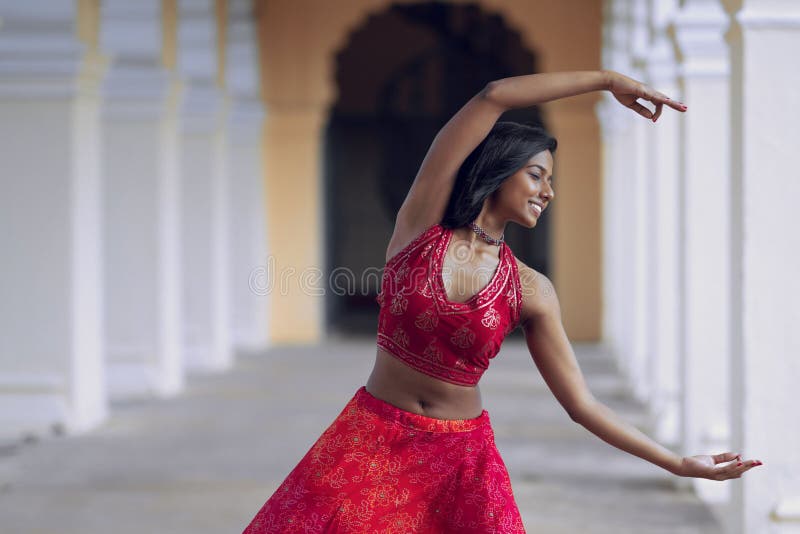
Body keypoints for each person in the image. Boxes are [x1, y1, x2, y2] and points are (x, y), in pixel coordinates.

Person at [242, 70, 762, 533]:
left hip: (461, 464)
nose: (547, 192)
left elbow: (582, 404)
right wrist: (606, 81)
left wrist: (676, 463)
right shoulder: (419, 227)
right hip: (371, 437)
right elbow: (492, 96)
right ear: (498, 171)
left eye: (551, 182)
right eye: (537, 175)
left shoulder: (531, 290)